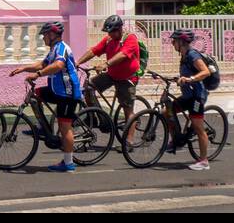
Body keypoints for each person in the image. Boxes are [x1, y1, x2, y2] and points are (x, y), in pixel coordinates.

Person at [10, 19, 82, 172]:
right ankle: (43, 127)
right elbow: (42, 65)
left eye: (44, 35)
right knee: (36, 94)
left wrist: (38, 74)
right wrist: (23, 68)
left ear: (52, 34)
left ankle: (68, 163)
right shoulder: (54, 49)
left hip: (68, 93)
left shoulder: (62, 48)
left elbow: (58, 65)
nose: (43, 38)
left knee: (65, 126)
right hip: (58, 90)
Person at [77, 14, 140, 142]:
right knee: (88, 87)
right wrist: (77, 62)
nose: (109, 34)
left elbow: (123, 55)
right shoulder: (108, 40)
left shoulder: (130, 38)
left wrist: (106, 64)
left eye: (112, 32)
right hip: (112, 75)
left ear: (119, 29)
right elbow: (93, 51)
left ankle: (129, 140)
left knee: (128, 109)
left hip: (127, 78)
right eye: (108, 32)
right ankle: (96, 117)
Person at [168, 28, 211, 171]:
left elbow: (206, 71)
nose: (172, 43)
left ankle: (204, 161)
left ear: (182, 42)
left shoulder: (192, 55)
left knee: (198, 128)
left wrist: (190, 79)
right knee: (167, 111)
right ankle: (176, 139)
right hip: (188, 96)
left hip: (197, 97)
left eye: (174, 41)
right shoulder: (184, 55)